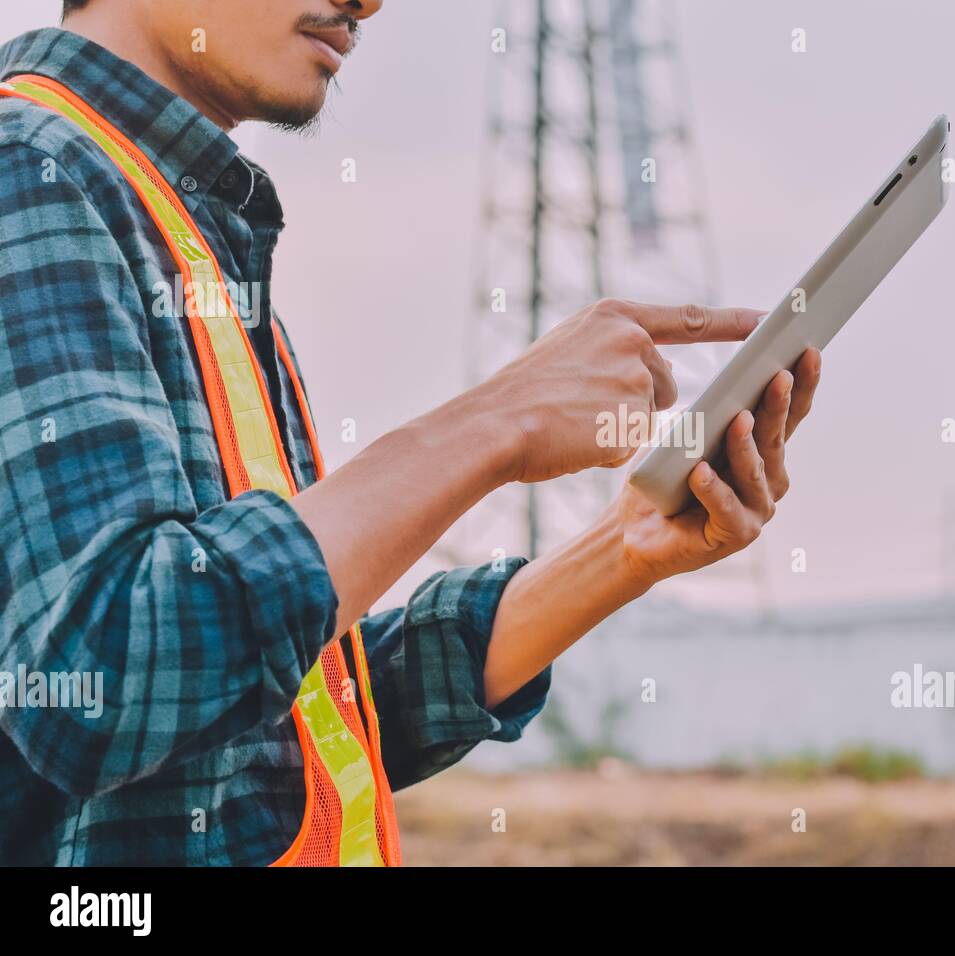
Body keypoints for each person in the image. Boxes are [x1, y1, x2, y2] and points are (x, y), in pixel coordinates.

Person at [0, 0, 820, 865]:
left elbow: (272, 739)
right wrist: (493, 424)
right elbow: (100, 686)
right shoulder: (30, 176)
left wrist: (624, 550)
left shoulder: (185, 230)